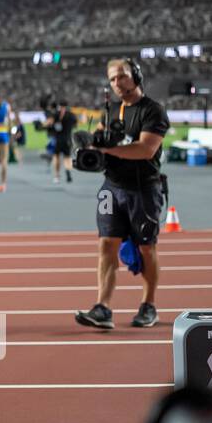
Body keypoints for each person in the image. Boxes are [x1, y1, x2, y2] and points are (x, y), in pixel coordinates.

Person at [75, 57, 170, 331]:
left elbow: (145, 150)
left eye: (122, 76)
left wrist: (106, 151)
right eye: (113, 79)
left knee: (146, 248)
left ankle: (148, 305)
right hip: (111, 188)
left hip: (144, 188)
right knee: (106, 245)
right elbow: (100, 140)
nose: (117, 83)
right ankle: (103, 307)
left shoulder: (153, 111)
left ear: (136, 76)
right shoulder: (110, 112)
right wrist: (88, 144)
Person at [48, 100, 75, 184]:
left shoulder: (56, 114)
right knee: (67, 157)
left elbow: (49, 123)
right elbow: (75, 124)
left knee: (56, 157)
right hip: (67, 139)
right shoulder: (71, 115)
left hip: (58, 139)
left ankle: (57, 175)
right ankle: (68, 171)